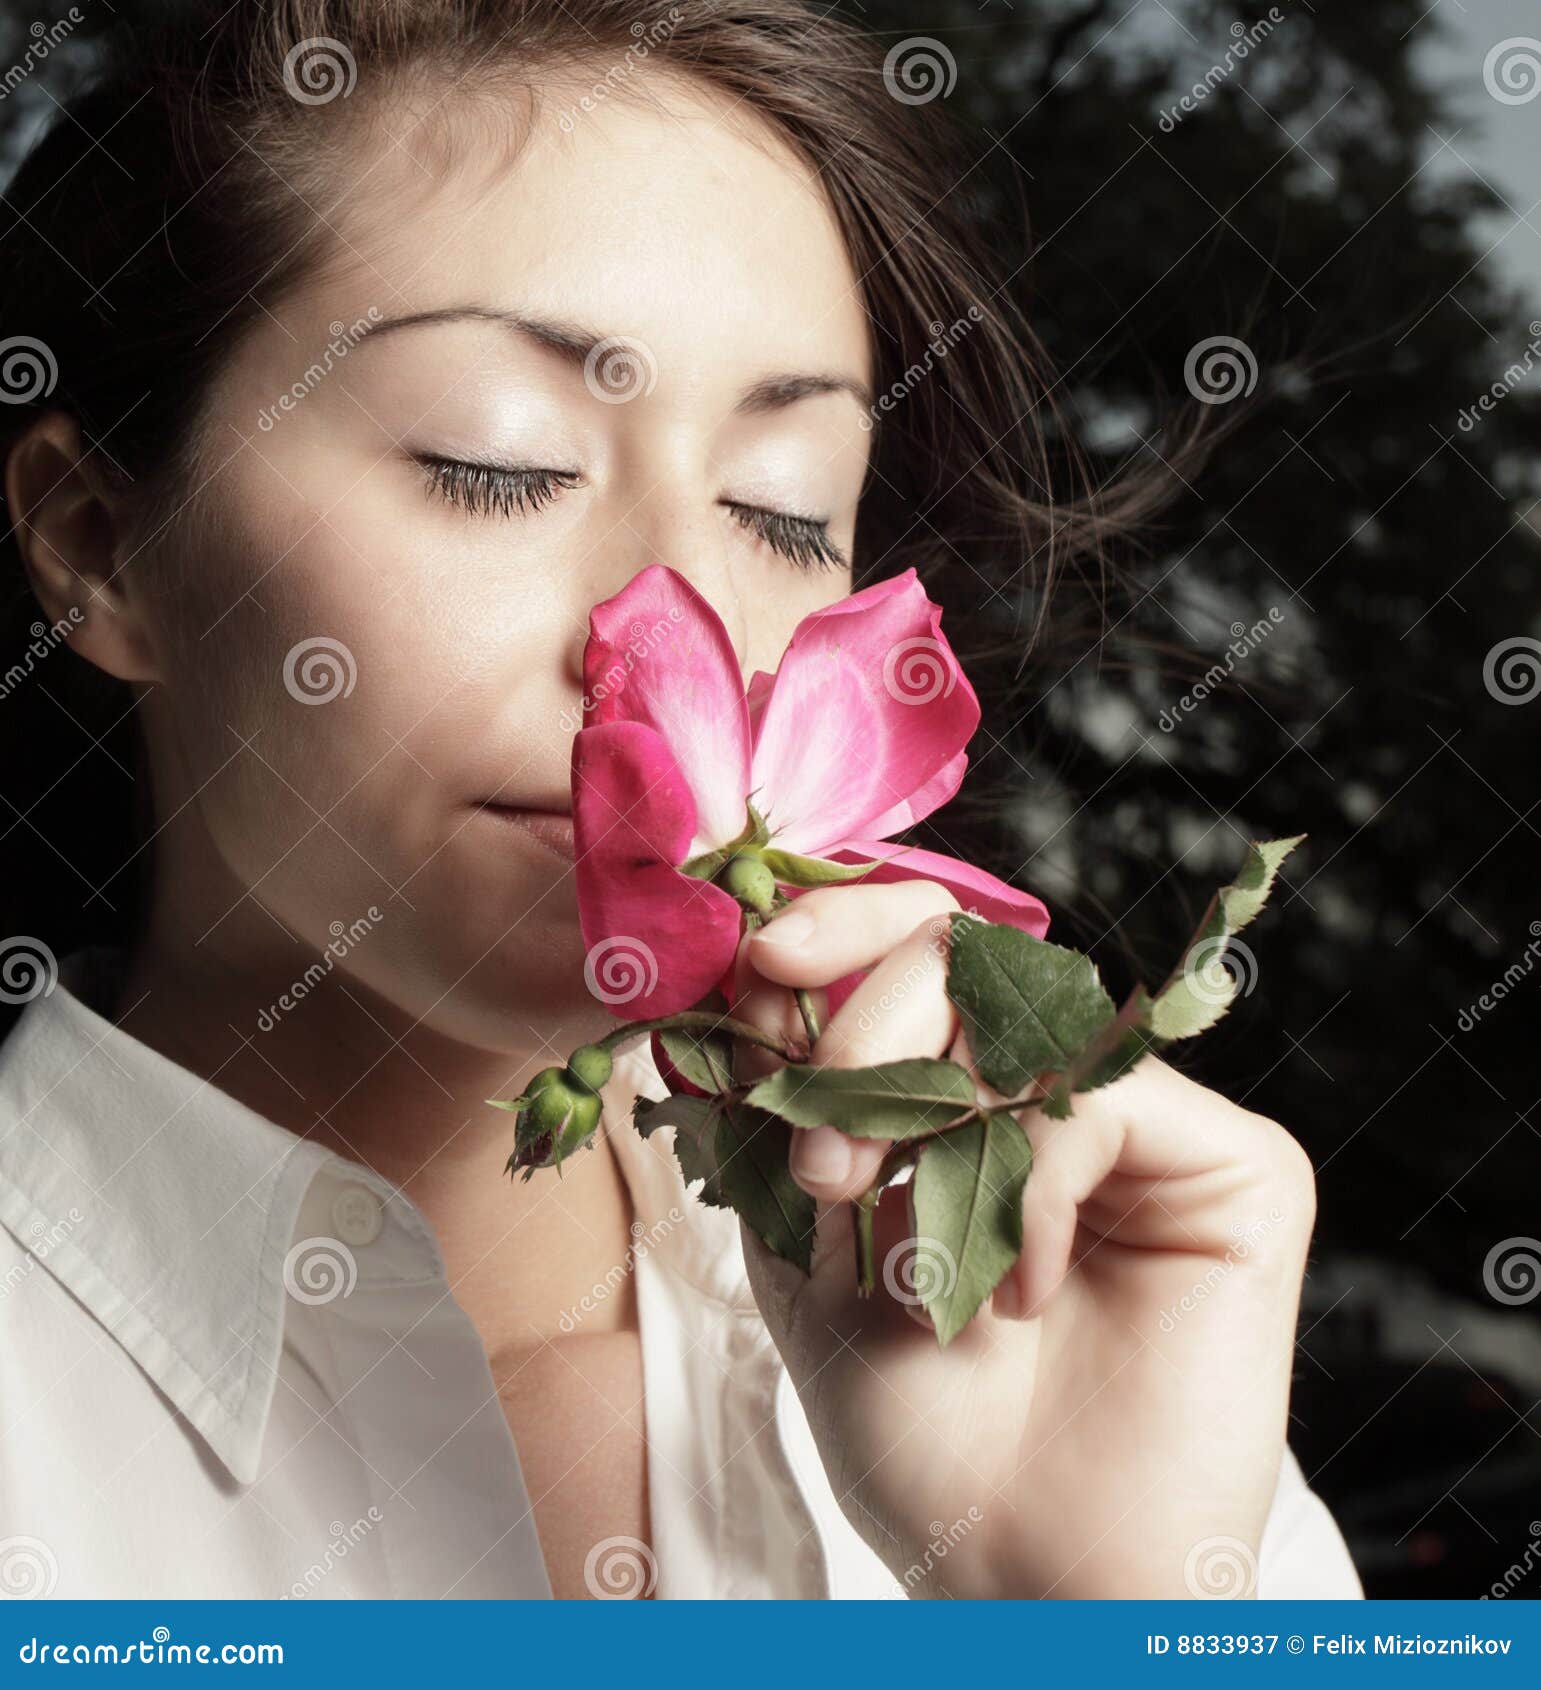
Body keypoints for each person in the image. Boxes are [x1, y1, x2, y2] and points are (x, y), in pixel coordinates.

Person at [0, 0, 1362, 1600]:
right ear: (99, 544)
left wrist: (1088, 1606)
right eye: (493, 464)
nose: (663, 636)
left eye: (785, 513)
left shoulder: (1048, 1350)